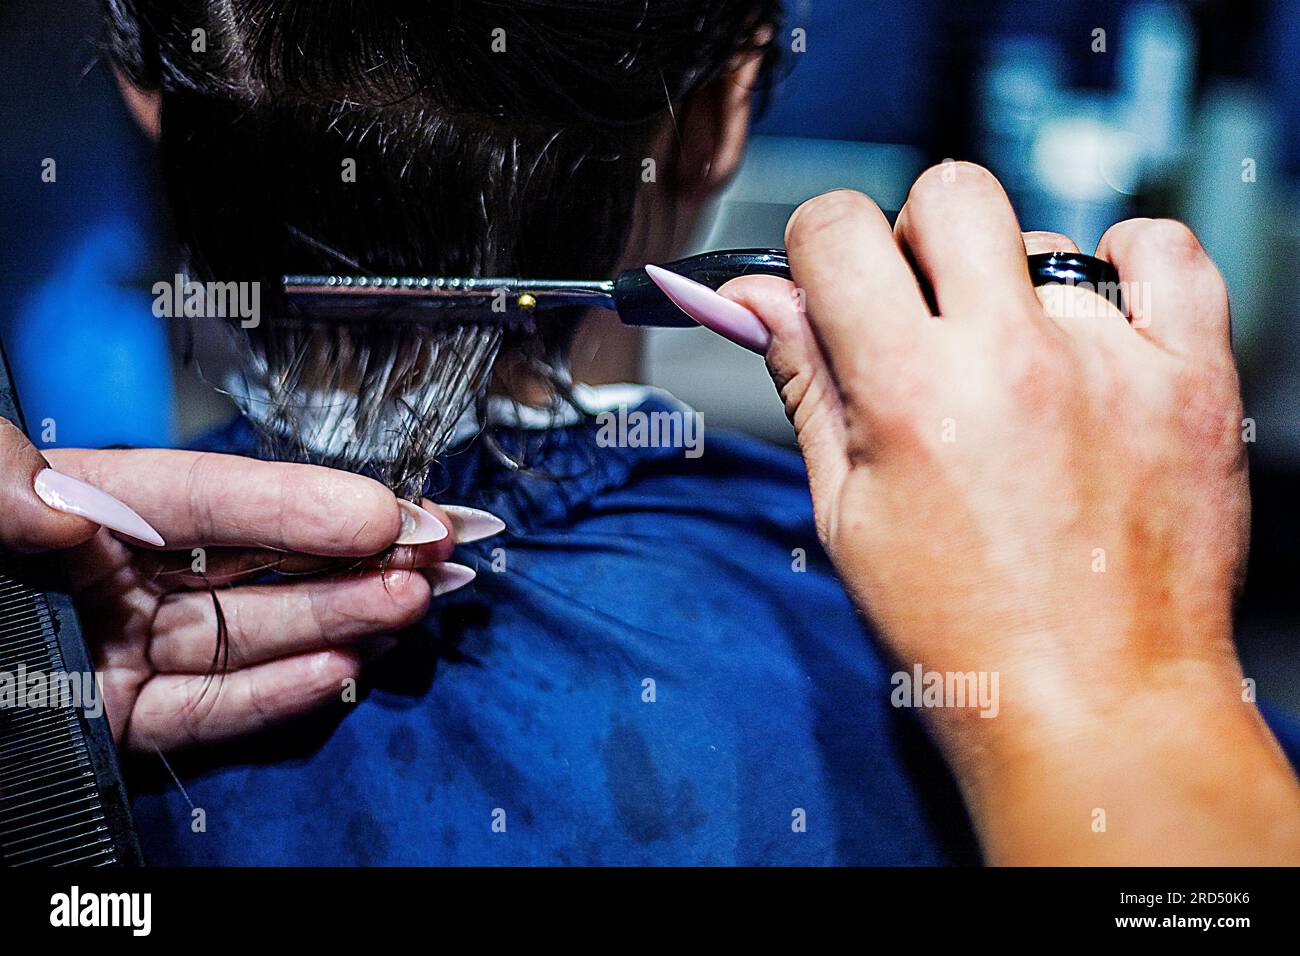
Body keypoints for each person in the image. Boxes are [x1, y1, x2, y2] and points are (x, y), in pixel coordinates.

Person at [1, 0, 1296, 864]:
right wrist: (1131, 688)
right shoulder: (927, 638)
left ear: (149, 87)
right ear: (728, 102)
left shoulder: (47, 636)